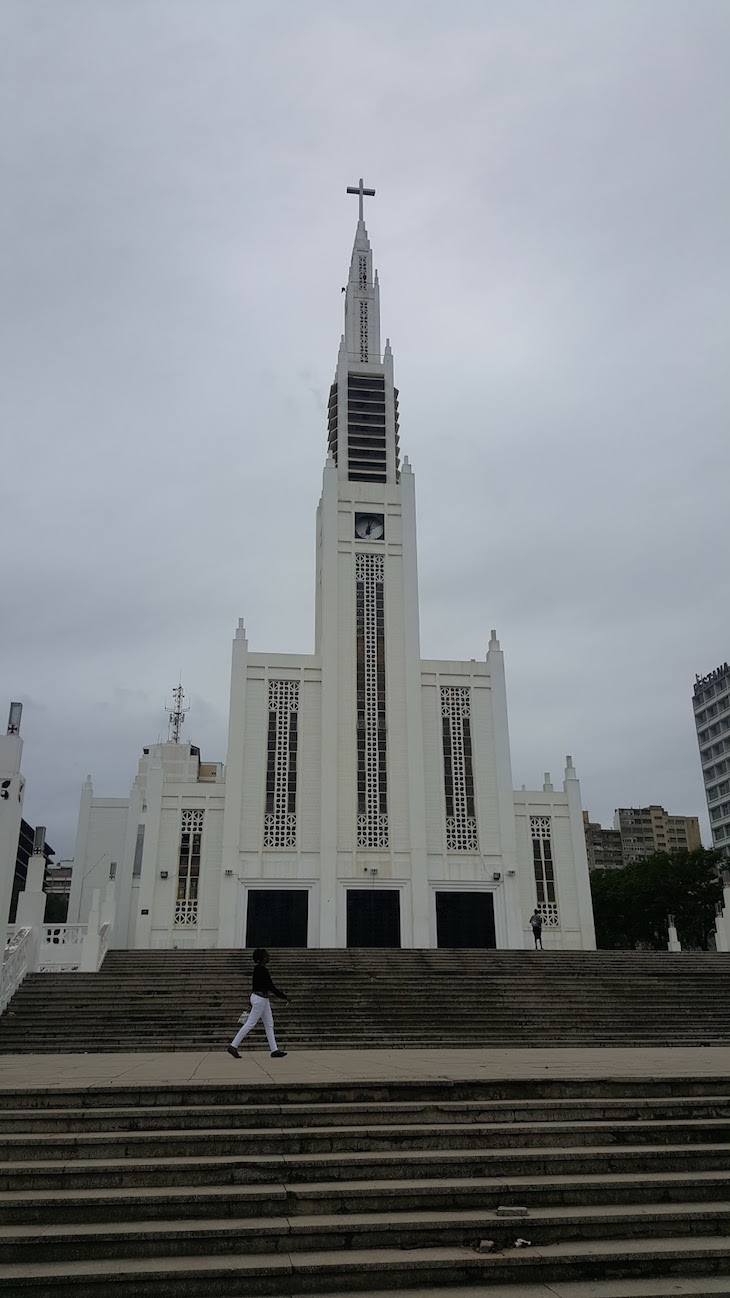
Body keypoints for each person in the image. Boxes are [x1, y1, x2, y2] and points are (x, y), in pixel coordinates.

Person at [227, 948, 289, 1059]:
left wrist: (250, 1000)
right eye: (268, 956)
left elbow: (255, 986)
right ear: (264, 958)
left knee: (269, 1024)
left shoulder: (257, 969)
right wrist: (284, 997)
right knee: (250, 1023)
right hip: (260, 999)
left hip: (260, 998)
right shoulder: (263, 971)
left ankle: (274, 1049)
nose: (269, 957)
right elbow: (271, 987)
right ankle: (233, 1045)